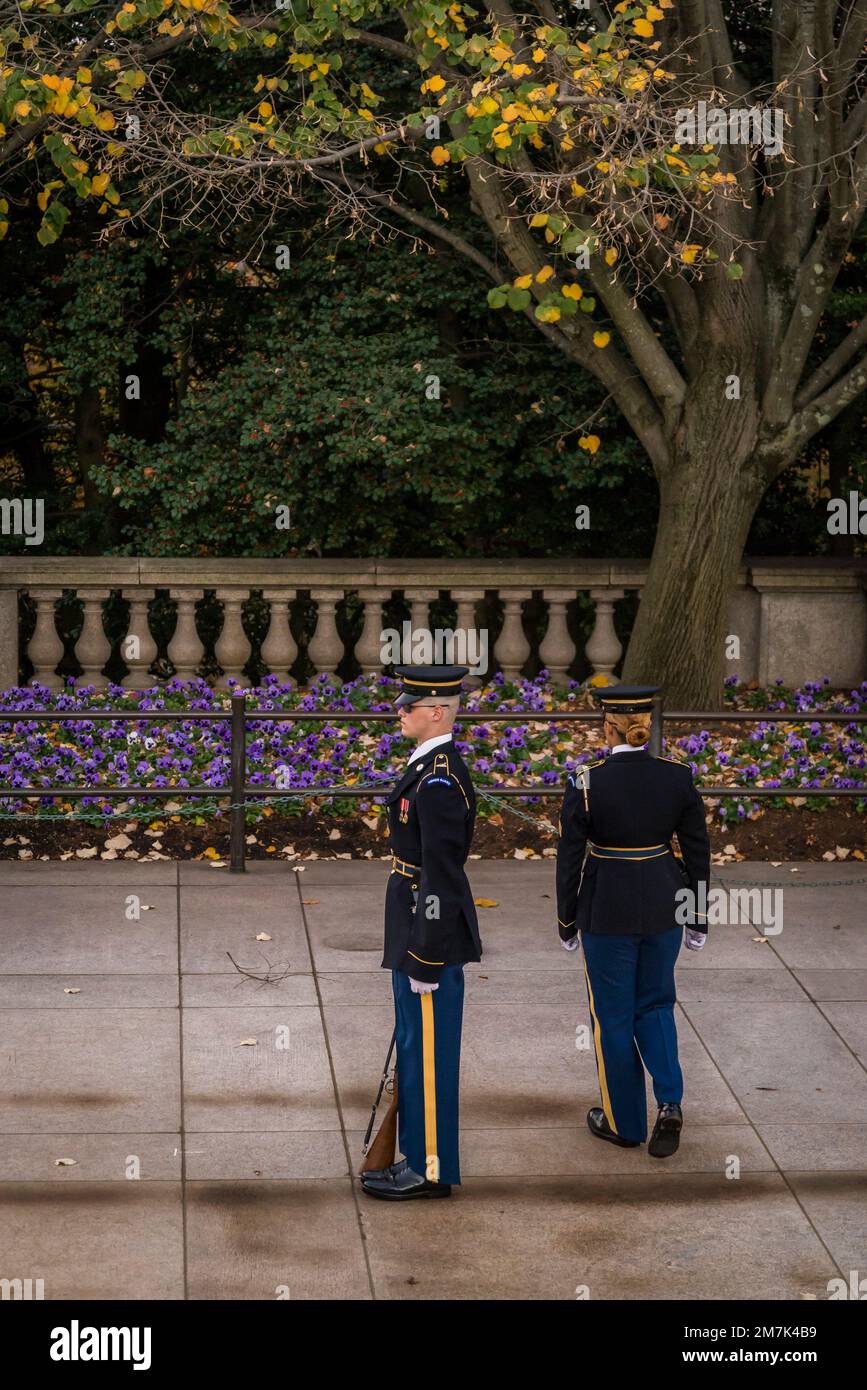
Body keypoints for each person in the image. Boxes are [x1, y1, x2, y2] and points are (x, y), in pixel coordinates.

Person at [556, 685, 710, 1157]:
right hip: (665, 902)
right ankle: (669, 1103)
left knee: (613, 1015)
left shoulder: (586, 781)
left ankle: (623, 1122)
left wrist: (566, 918)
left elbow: (569, 857)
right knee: (657, 1004)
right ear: (647, 726)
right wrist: (698, 916)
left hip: (607, 910)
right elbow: (697, 850)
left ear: (607, 727)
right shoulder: (677, 776)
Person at [360, 664, 481, 1200]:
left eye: (408, 705)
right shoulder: (428, 768)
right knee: (414, 1047)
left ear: (436, 712)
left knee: (429, 1056)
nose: (399, 711)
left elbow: (443, 874)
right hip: (413, 922)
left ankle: (432, 1170)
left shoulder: (438, 781)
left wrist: (427, 958)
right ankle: (416, 1153)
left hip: (427, 932)